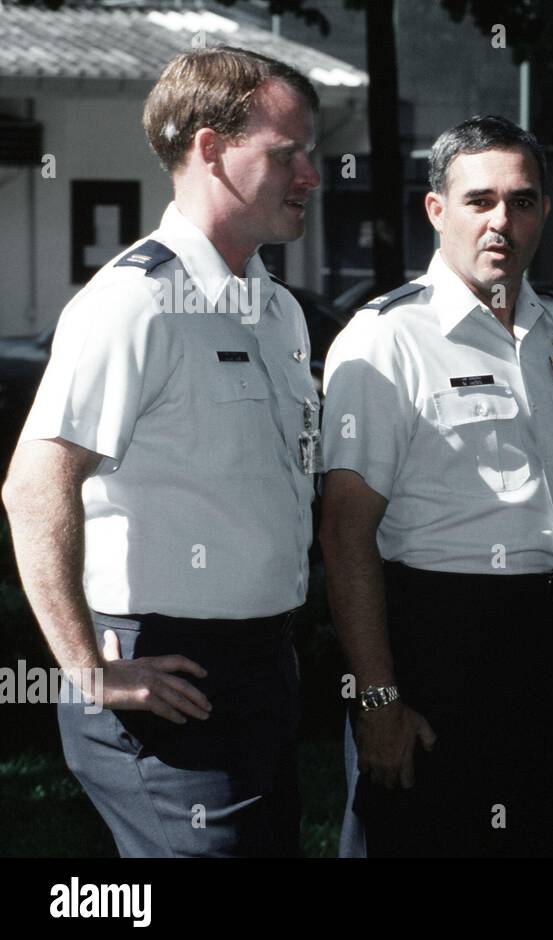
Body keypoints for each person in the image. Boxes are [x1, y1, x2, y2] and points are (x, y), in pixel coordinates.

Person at [1, 48, 322, 856]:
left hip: (265, 667)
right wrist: (88, 670)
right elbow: (34, 486)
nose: (311, 175)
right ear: (211, 150)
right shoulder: (131, 301)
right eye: (287, 155)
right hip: (166, 671)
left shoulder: (278, 311)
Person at [320, 114, 553, 857]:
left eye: (523, 201)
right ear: (437, 210)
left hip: (547, 652)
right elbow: (344, 529)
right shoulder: (386, 337)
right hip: (435, 645)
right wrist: (378, 696)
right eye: (480, 201)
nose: (503, 220)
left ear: (544, 213)